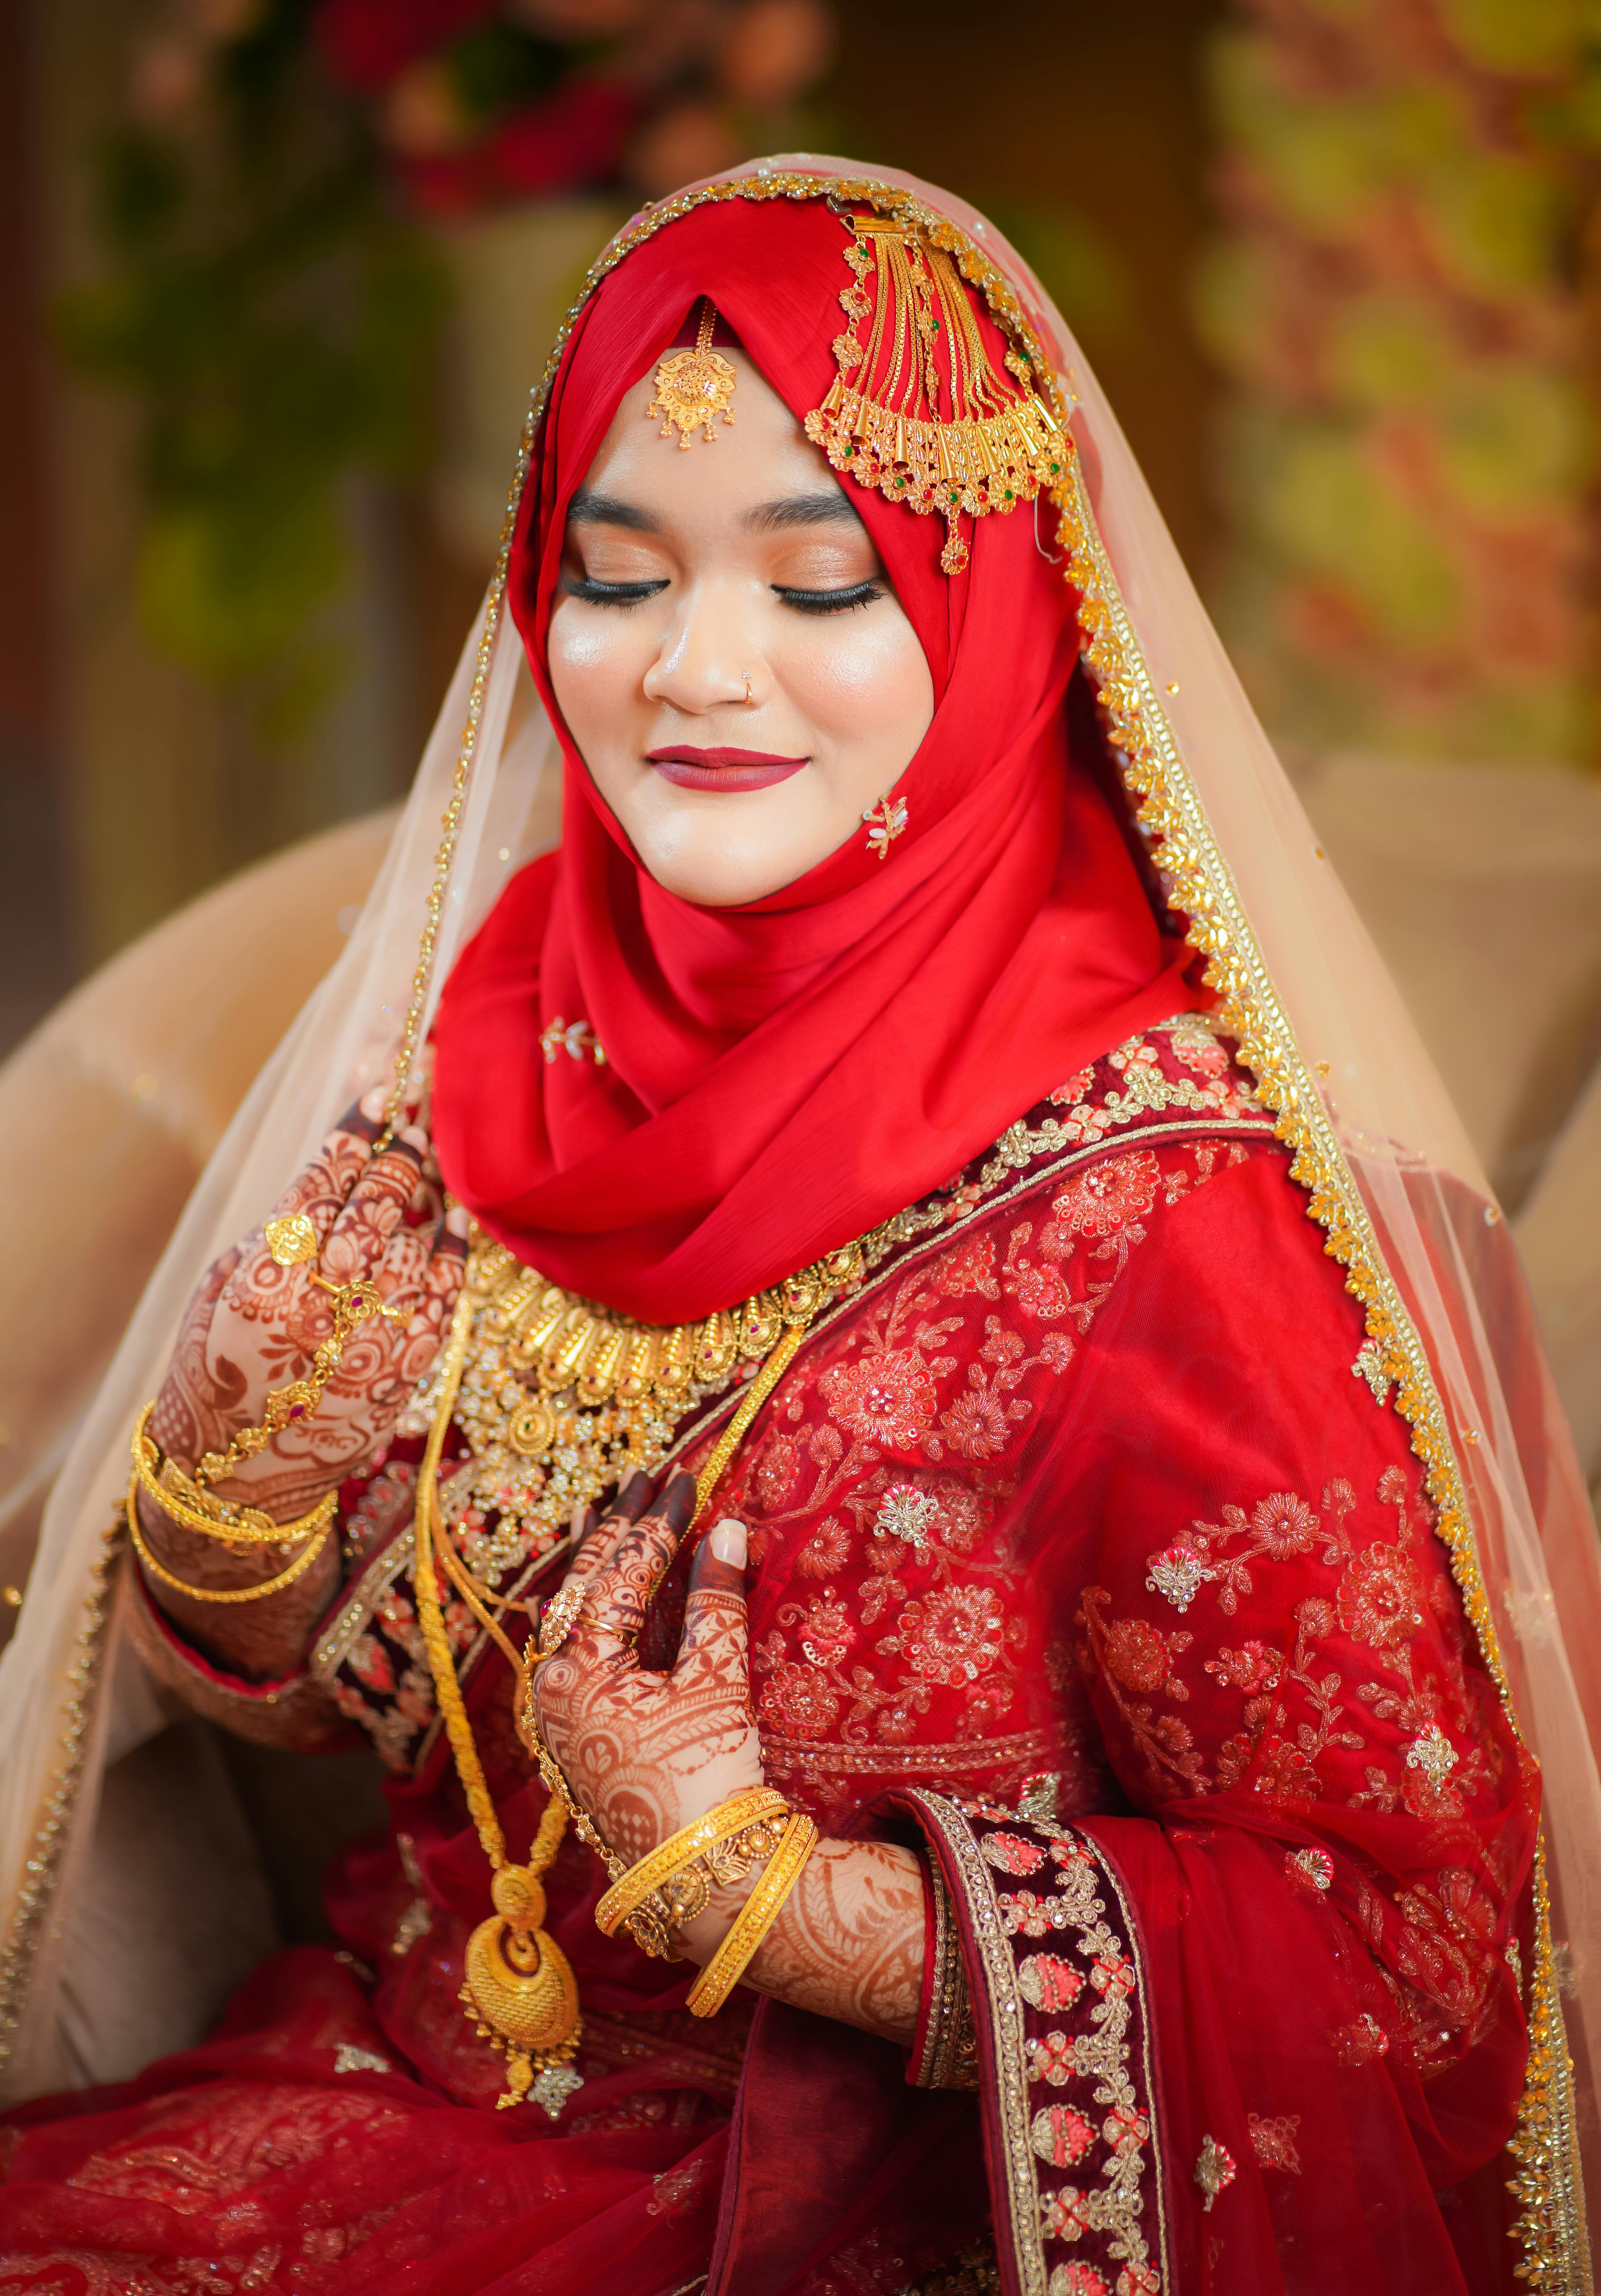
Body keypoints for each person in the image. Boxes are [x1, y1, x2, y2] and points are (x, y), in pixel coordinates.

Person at [0, 159, 1593, 2296]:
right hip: (390, 2095)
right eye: (617, 574)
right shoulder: (497, 1044)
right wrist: (239, 1502)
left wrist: (774, 1896)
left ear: (1000, 607)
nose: (692, 671)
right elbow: (348, 1701)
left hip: (865, 2216)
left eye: (822, 582)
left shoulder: (1177, 1216)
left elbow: (1411, 1962)